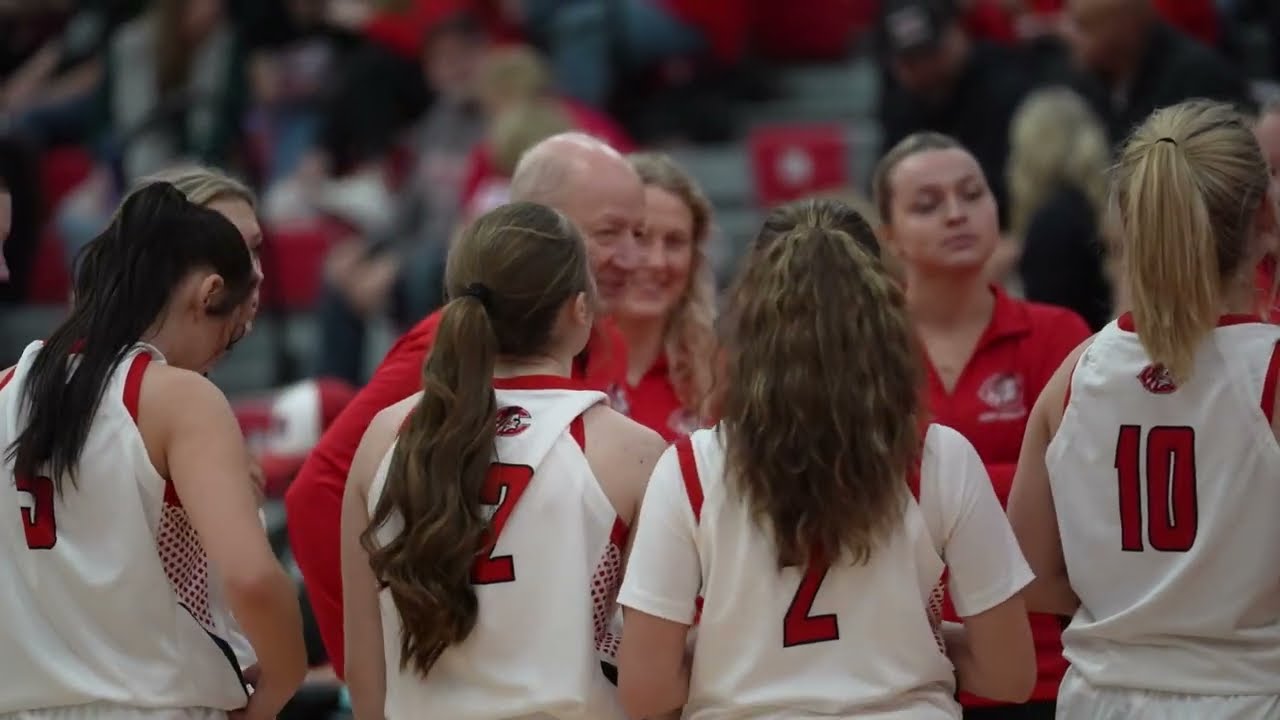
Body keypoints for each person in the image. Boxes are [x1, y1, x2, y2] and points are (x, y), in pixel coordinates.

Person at [616, 200, 1036, 719]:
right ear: (885, 312)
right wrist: (907, 640)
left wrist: (731, 650)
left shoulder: (690, 468)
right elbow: (1010, 674)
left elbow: (645, 693)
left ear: (750, 321)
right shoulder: (939, 457)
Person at [287, 131, 643, 677]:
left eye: (637, 233)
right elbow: (317, 495)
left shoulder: (607, 341)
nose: (632, 257)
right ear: (538, 230)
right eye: (610, 233)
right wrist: (364, 666)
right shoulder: (446, 348)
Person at [1008, 100, 1280, 719]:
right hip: (1248, 695)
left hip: (1101, 696)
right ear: (1264, 214)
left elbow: (1026, 572)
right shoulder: (1270, 371)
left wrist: (1136, 613)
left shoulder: (1074, 374)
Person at [341, 201, 666, 719]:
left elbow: (364, 670)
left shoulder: (385, 437)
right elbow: (659, 671)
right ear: (579, 309)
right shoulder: (633, 452)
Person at [0, 182, 306, 719]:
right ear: (207, 295)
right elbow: (253, 578)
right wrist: (283, 682)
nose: (216, 359)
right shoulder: (179, 398)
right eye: (227, 337)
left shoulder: (5, 388)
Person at [873, 131, 1090, 718]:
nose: (956, 214)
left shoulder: (1059, 334)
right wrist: (1020, 483)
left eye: (972, 194)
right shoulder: (865, 348)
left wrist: (937, 491)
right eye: (927, 204)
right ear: (889, 234)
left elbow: (1089, 492)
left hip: (1052, 661)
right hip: (902, 666)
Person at [612, 152, 718, 440]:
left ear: (695, 257)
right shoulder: (558, 362)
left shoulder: (723, 375)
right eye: (639, 237)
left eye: (674, 242)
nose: (657, 261)